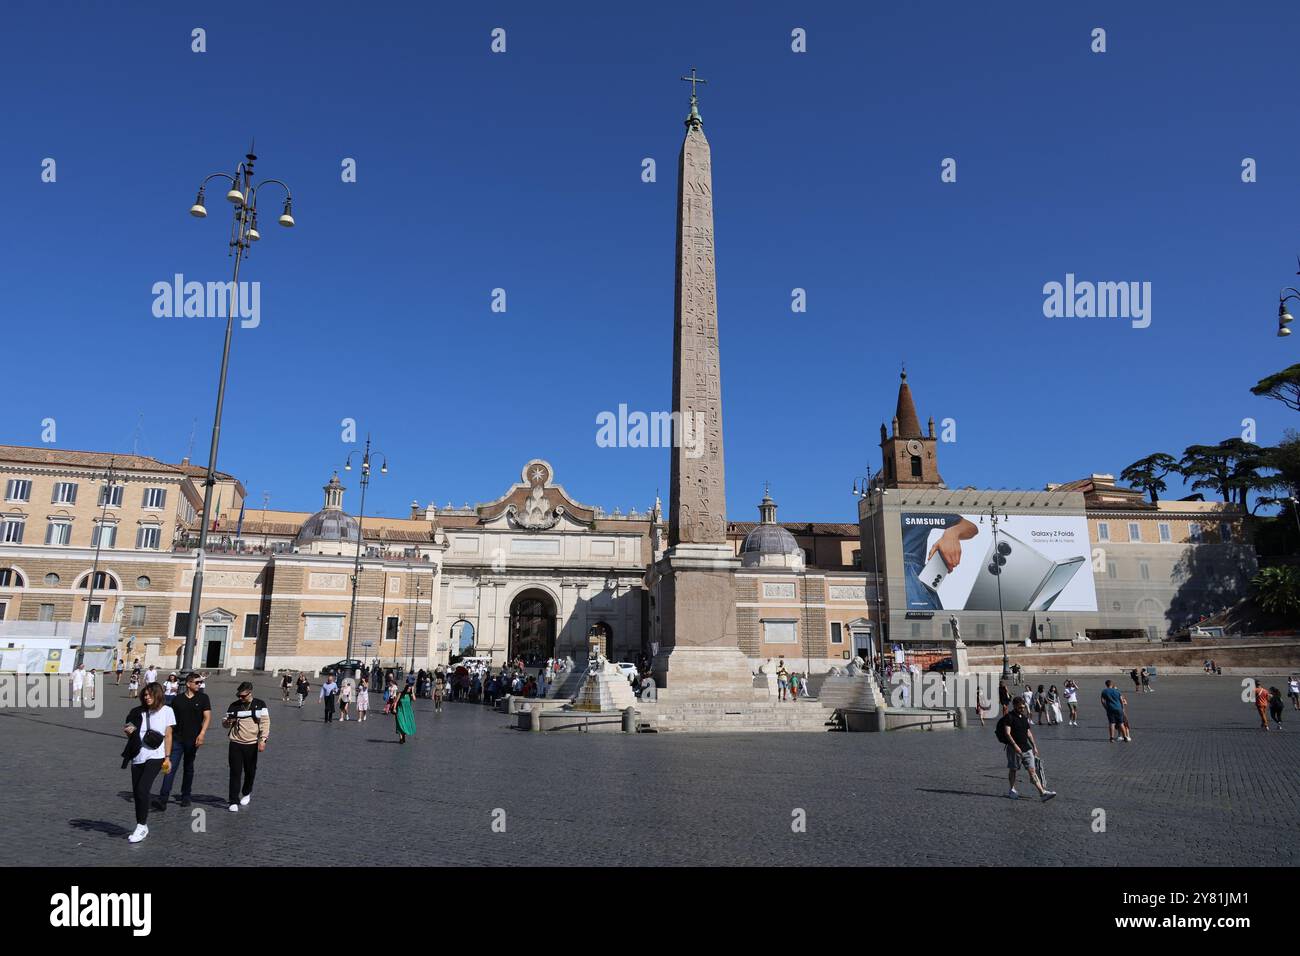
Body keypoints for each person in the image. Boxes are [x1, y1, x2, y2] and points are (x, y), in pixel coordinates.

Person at [120, 682, 175, 843]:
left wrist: (167, 757)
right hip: (138, 755)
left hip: (156, 756)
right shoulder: (137, 712)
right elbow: (129, 728)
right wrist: (128, 731)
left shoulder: (167, 711)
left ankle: (141, 826)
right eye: (145, 695)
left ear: (158, 695)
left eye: (150, 695)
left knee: (143, 789)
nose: (147, 697)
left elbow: (169, 735)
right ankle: (141, 825)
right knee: (137, 792)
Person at [154, 671, 210, 810]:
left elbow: (207, 717)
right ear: (188, 683)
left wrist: (202, 734)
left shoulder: (203, 698)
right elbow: (170, 720)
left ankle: (186, 795)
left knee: (188, 768)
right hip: (177, 740)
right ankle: (163, 799)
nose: (199, 685)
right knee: (169, 768)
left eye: (200, 682)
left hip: (193, 740)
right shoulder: (177, 700)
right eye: (197, 682)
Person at [994, 697, 1056, 802]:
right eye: (1020, 707)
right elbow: (1007, 733)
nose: (1022, 709)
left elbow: (1028, 732)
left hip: (1026, 748)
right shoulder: (1009, 717)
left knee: (1032, 770)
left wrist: (1034, 746)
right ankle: (1012, 790)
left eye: (1023, 707)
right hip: (1014, 749)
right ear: (1014, 706)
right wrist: (1015, 746)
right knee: (1013, 769)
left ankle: (1042, 793)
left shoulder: (1023, 717)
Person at [222, 681, 270, 812]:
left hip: (252, 743)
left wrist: (263, 740)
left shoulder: (260, 704)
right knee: (235, 771)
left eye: (243, 696)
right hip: (235, 742)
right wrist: (227, 722)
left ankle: (247, 792)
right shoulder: (234, 705)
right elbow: (225, 723)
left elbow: (265, 723)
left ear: (250, 693)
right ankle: (233, 800)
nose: (240, 698)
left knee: (250, 771)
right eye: (239, 696)